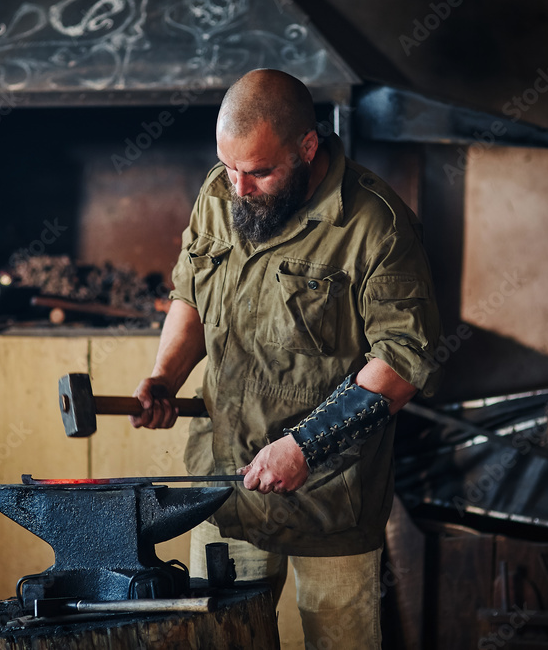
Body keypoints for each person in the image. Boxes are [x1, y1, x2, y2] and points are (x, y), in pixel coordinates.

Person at [131, 68, 441, 649]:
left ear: (308, 147)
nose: (239, 188)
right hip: (226, 487)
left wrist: (305, 446)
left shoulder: (376, 226)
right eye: (229, 168)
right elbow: (191, 295)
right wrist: (163, 376)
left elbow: (403, 362)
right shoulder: (220, 193)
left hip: (331, 498)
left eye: (259, 171)